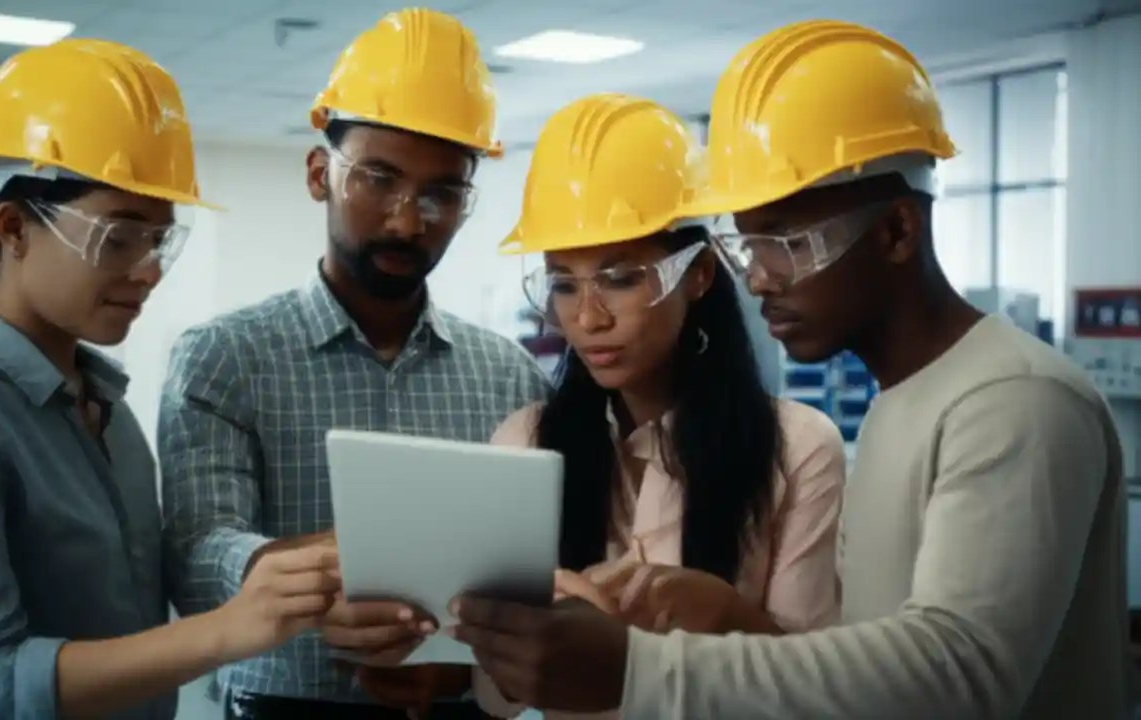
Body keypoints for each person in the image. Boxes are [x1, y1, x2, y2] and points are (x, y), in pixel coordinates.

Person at [448, 19, 1128, 720]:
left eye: (789, 242)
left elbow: (961, 674)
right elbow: (867, 662)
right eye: (751, 243)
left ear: (897, 230)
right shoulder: (906, 403)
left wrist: (642, 666)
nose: (763, 277)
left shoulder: (1016, 398)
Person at [0, 40, 343, 720]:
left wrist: (309, 562)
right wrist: (223, 634)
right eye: (118, 238)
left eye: (159, 242)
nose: (146, 270)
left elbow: (136, 595)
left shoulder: (104, 408)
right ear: (13, 228)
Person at [158, 8, 548, 719]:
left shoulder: (511, 376)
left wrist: (459, 667)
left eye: (443, 193)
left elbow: (535, 566)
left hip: (460, 701)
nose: (407, 219)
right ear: (319, 174)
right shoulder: (224, 358)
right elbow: (195, 550)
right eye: (378, 179)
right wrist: (311, 582)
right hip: (284, 703)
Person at [460, 92, 846, 719]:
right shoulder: (524, 442)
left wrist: (727, 617)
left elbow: (818, 689)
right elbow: (496, 699)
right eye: (563, 284)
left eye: (620, 277)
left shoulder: (797, 444)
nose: (587, 318)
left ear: (696, 275)